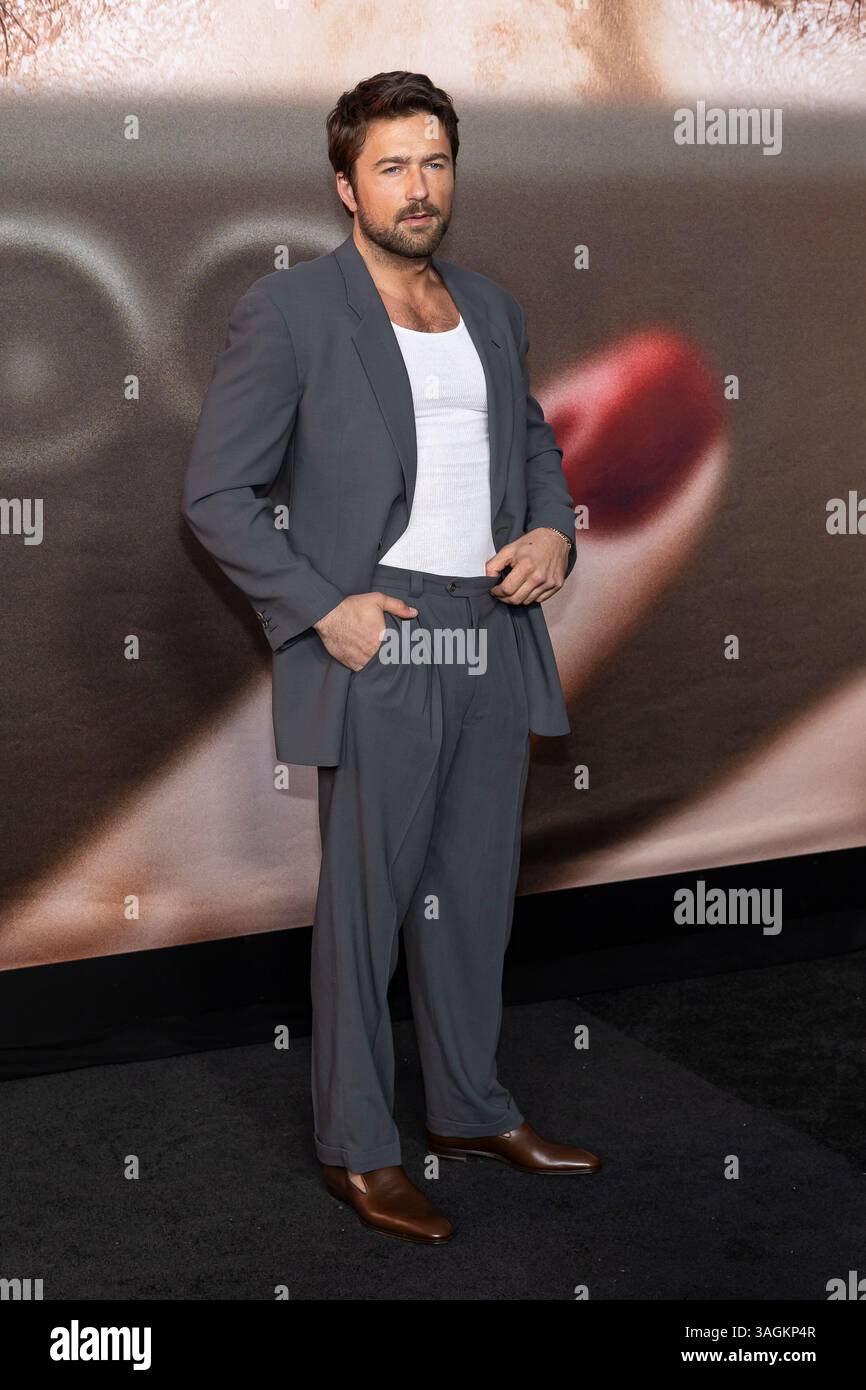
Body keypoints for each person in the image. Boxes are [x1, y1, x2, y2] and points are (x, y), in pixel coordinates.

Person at [182, 70, 600, 1245]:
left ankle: (469, 1108)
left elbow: (530, 443)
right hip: (384, 635)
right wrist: (324, 609)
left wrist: (551, 529)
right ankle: (358, 1147)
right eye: (390, 166)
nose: (418, 189)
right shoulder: (294, 311)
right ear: (343, 185)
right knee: (366, 911)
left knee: (470, 896)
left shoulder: (489, 306)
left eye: (434, 163)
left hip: (490, 624)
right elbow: (215, 494)